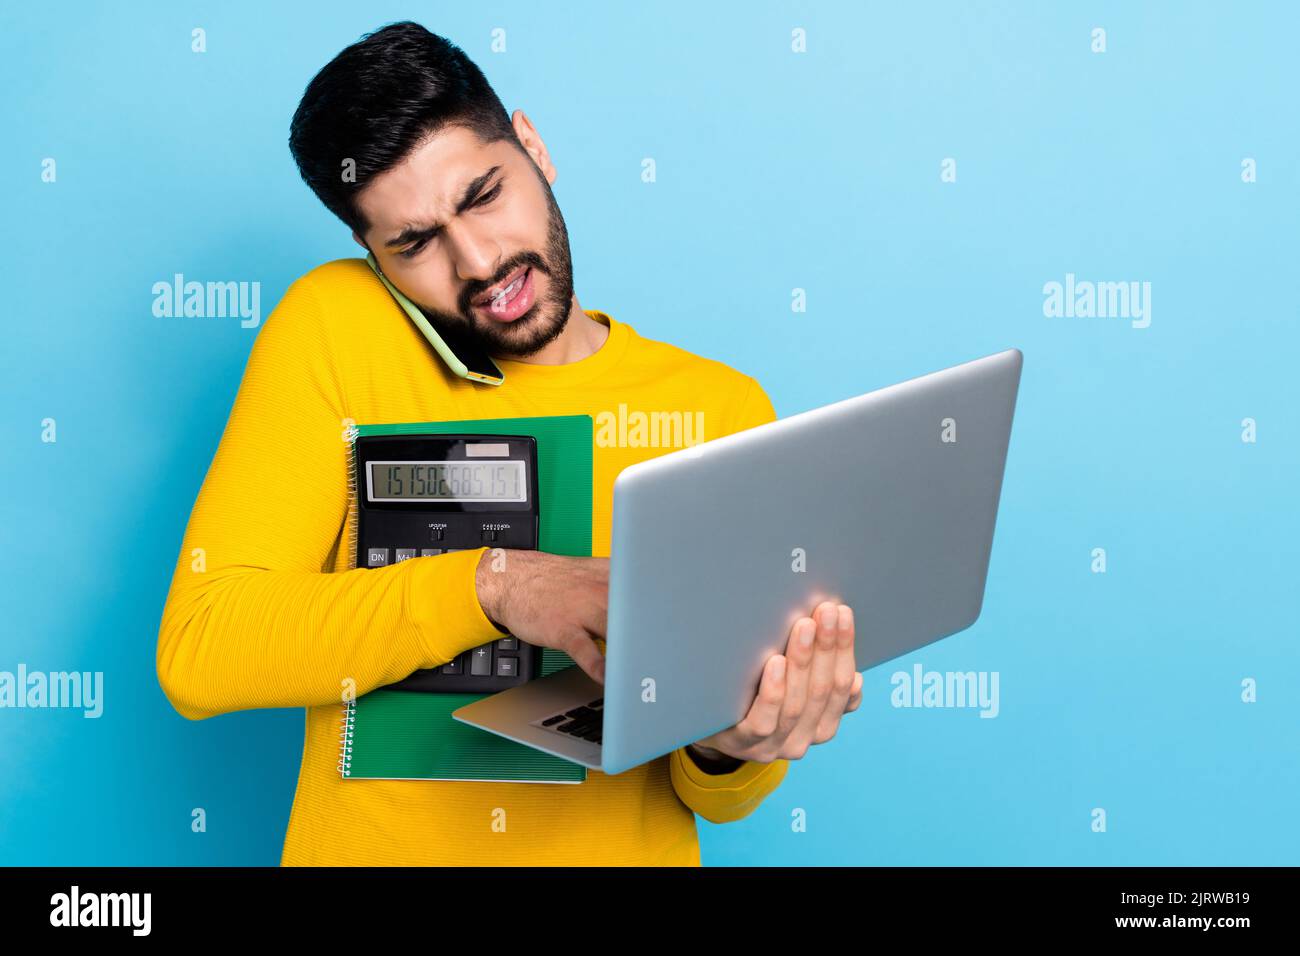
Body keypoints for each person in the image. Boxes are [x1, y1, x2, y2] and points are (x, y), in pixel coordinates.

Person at [156, 20, 863, 866]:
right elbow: (204, 646)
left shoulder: (716, 409)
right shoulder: (337, 330)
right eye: (414, 243)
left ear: (532, 144)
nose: (480, 262)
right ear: (370, 251)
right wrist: (495, 586)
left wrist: (737, 743)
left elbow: (711, 791)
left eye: (484, 194)